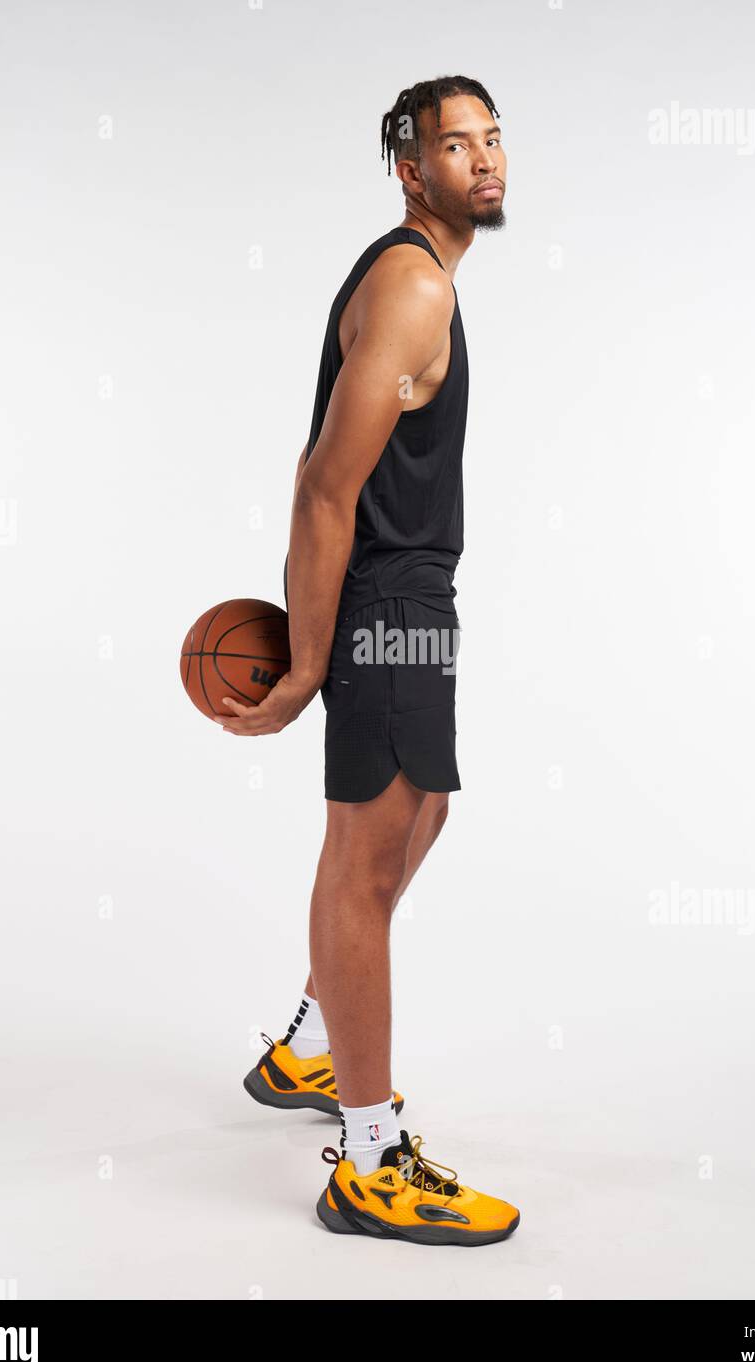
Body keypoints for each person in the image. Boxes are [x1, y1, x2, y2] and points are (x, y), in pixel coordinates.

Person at [218, 75, 519, 1245]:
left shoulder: (421, 280)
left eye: (493, 138)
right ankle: (368, 1154)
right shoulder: (410, 284)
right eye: (456, 143)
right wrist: (303, 661)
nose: (485, 159)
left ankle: (309, 1043)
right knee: (366, 855)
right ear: (410, 167)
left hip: (415, 595)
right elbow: (325, 482)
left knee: (421, 810)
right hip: (386, 599)